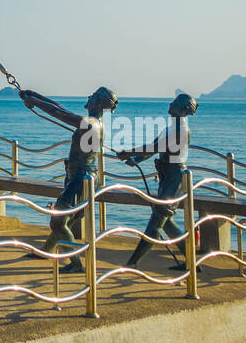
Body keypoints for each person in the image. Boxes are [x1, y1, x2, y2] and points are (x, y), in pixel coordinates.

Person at [19, 85, 118, 272]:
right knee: (66, 221)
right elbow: (59, 108)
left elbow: (58, 113)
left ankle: (76, 264)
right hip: (79, 175)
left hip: (81, 178)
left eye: (94, 95)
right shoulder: (93, 121)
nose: (89, 95)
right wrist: (34, 94)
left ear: (98, 103)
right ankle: (46, 251)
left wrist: (35, 102)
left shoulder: (90, 123)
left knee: (58, 222)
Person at [117, 94, 198, 270]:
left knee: (156, 223)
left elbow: (156, 147)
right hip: (166, 176)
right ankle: (193, 262)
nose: (170, 103)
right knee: (165, 221)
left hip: (175, 178)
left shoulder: (180, 130)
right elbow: (154, 146)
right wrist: (136, 158)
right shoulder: (170, 127)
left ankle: (132, 263)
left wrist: (129, 152)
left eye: (175, 102)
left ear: (183, 109)